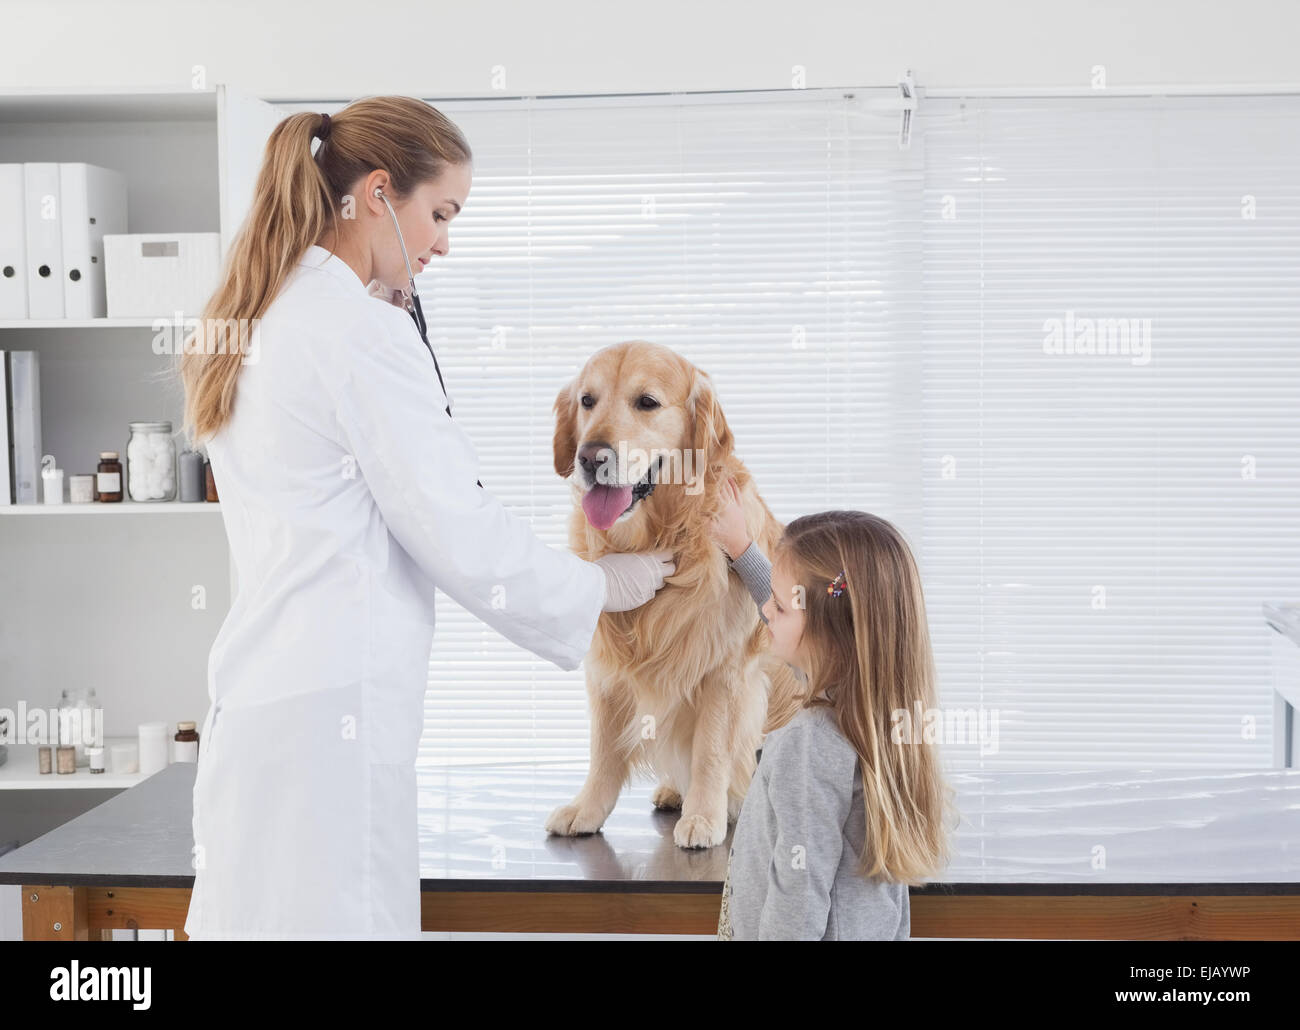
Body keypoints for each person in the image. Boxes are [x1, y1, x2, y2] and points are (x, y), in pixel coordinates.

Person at [177, 96, 675, 940]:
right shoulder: (359, 332)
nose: (445, 240)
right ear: (378, 194)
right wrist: (598, 584)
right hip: (332, 721)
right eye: (439, 213)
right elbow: (458, 531)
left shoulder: (266, 315)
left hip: (262, 707)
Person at [709, 476, 956, 940]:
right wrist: (741, 546)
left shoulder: (807, 745)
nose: (766, 616)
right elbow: (894, 904)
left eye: (779, 609)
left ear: (827, 636)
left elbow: (796, 903)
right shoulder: (878, 722)